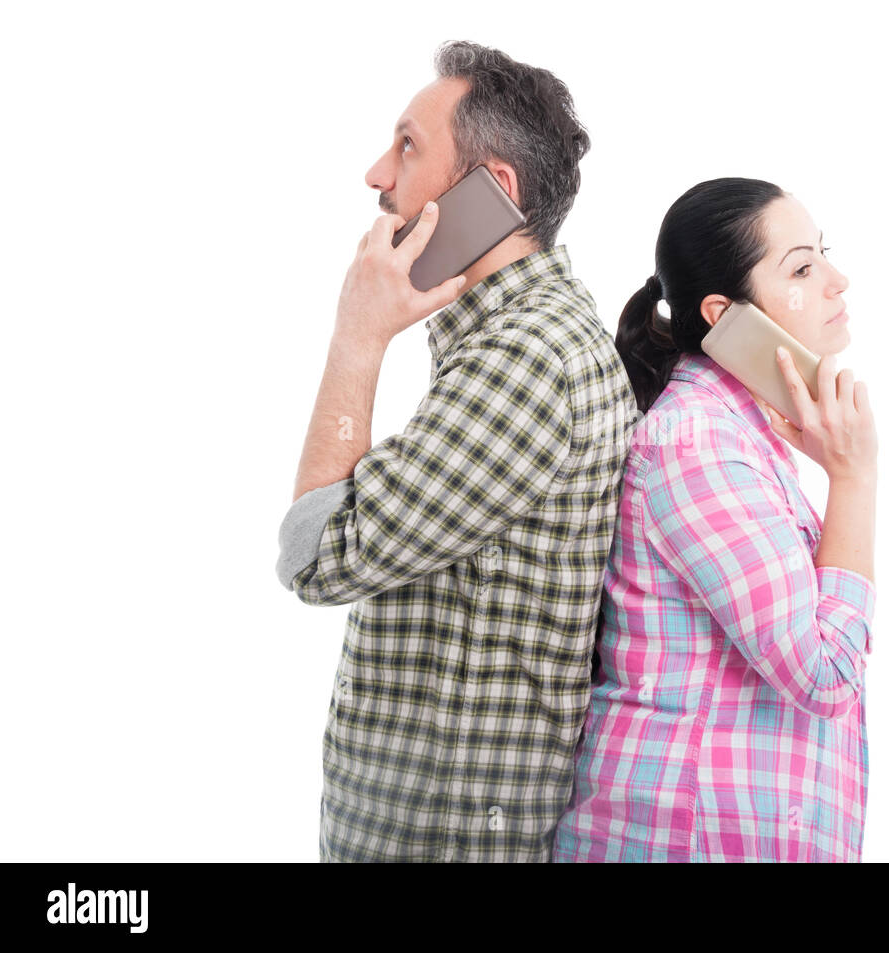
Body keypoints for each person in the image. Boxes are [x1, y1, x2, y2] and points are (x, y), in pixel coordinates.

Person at [274, 40, 638, 862]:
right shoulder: (509, 344)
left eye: (407, 146)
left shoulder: (528, 358)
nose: (376, 175)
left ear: (491, 192)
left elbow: (316, 556)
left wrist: (358, 334)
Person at [552, 178, 878, 862]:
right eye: (802, 267)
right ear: (723, 312)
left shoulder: (742, 438)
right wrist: (853, 477)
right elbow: (822, 670)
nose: (837, 280)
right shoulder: (699, 444)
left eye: (823, 253)